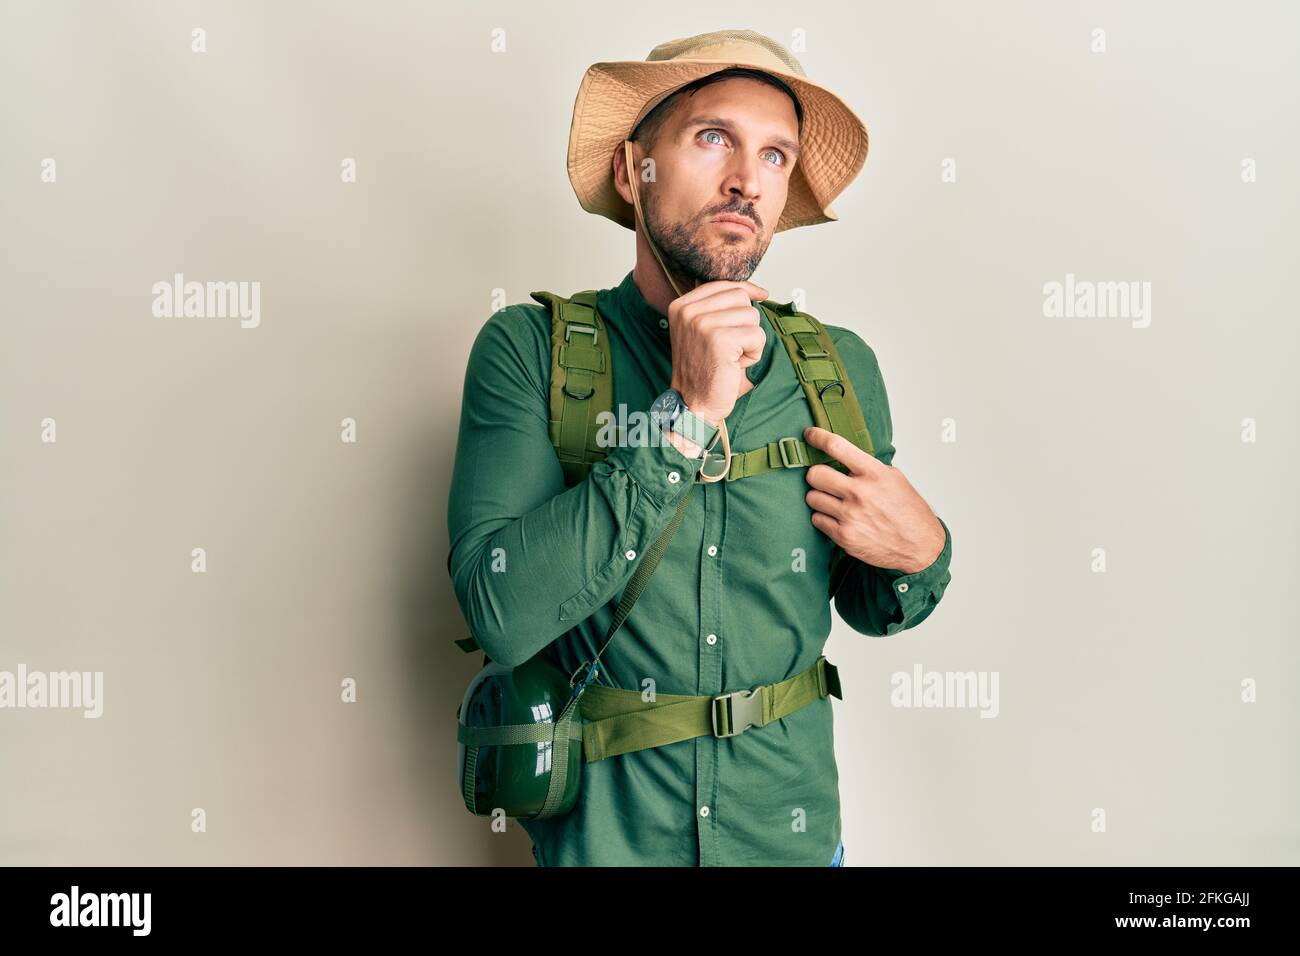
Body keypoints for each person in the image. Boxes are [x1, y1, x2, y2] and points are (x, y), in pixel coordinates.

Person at [447, 29, 952, 866]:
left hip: (789, 836)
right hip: (609, 847)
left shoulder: (838, 366)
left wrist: (924, 553)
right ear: (630, 170)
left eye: (776, 155)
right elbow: (499, 612)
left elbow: (872, 602)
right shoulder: (530, 351)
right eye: (713, 137)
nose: (747, 179)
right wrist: (684, 414)